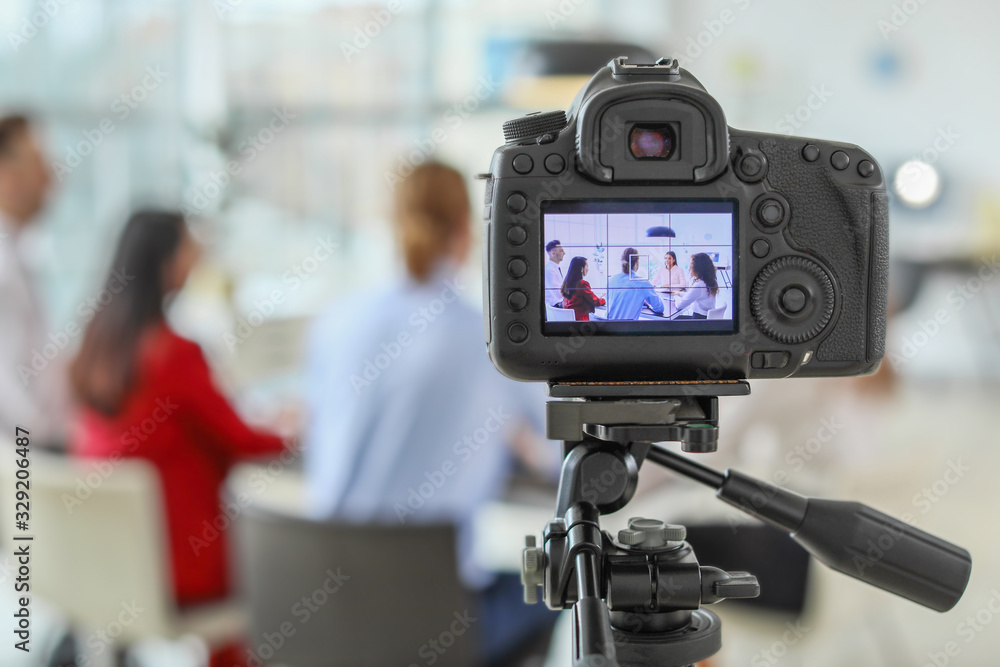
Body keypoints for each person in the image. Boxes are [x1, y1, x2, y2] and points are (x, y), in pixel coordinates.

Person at [304, 162, 559, 665]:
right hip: (437, 620)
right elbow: (559, 457)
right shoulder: (491, 341)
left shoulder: (336, 320)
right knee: (554, 584)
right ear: (468, 233)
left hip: (336, 609)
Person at [69, 211, 288, 667]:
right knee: (294, 563)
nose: (197, 258)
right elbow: (246, 441)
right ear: (167, 262)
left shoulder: (94, 346)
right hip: (180, 569)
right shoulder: (176, 354)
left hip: (105, 564)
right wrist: (295, 428)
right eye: (189, 248)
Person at [0, 113, 68, 447]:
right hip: (24, 456)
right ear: (5, 175)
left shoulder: (18, 253)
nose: (53, 179)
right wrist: (45, 444)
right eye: (40, 164)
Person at [606, 247, 664, 320]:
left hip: (608, 329)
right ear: (637, 262)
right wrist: (645, 300)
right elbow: (660, 308)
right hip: (627, 329)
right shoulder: (643, 283)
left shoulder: (611, 280)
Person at [671, 252, 719, 319]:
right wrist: (679, 293)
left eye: (691, 265)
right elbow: (693, 294)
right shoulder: (709, 281)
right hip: (705, 320)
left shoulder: (699, 285)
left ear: (698, 268)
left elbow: (680, 305)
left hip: (699, 322)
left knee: (671, 320)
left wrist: (676, 297)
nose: (689, 268)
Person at [561, 256, 604, 321]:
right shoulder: (582, 284)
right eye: (587, 266)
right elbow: (596, 302)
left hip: (569, 321)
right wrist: (603, 300)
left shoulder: (566, 283)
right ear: (581, 269)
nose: (588, 269)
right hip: (581, 321)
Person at [544, 239, 565, 306]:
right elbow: (558, 295)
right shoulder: (550, 270)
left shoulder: (555, 268)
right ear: (553, 253)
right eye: (561, 251)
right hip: (555, 307)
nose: (564, 253)